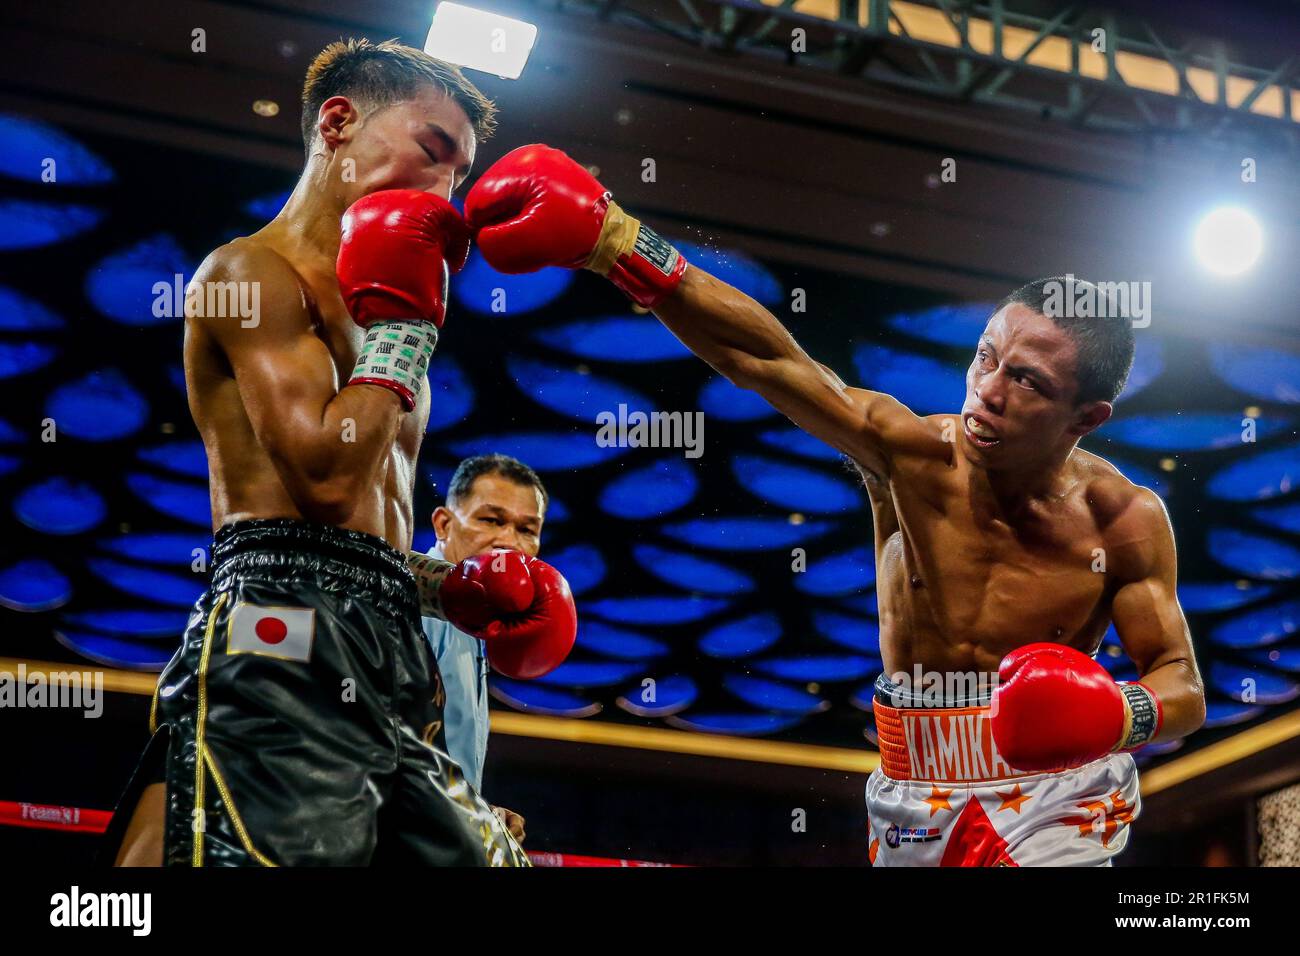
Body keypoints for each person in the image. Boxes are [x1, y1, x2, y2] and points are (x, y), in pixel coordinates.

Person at [459, 144, 1206, 866]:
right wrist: (617, 242)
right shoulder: (909, 454)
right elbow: (767, 361)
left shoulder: (1124, 519)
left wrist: (1118, 712)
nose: (988, 390)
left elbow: (1182, 683)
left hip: (1056, 793)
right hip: (913, 785)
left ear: (1087, 416)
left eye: (1029, 383)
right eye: (986, 357)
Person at [105, 40, 576, 867]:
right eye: (433, 151)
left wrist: (451, 588)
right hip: (282, 626)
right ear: (337, 122)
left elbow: (367, 530)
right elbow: (322, 481)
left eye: (460, 175)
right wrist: (405, 329)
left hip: (388, 644)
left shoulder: (388, 310)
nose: (445, 193)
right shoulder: (247, 272)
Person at [421, 454, 555, 845]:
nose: (509, 542)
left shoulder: (475, 621)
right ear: (443, 525)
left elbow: (435, 759)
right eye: (491, 520)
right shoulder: (415, 604)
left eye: (527, 529)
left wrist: (479, 809)